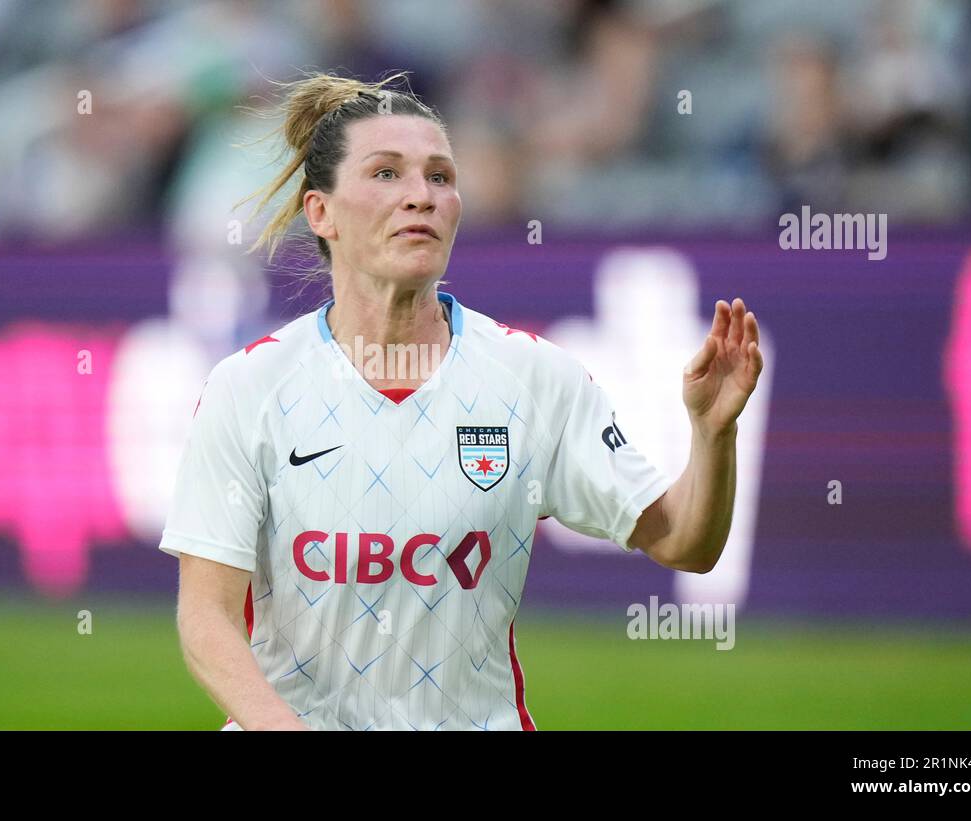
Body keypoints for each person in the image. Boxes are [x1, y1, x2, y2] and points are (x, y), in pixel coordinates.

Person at [159, 71, 764, 731]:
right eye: (386, 174)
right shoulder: (250, 387)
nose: (420, 195)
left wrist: (713, 433)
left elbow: (685, 542)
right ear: (321, 213)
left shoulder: (534, 378)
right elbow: (206, 613)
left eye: (440, 177)